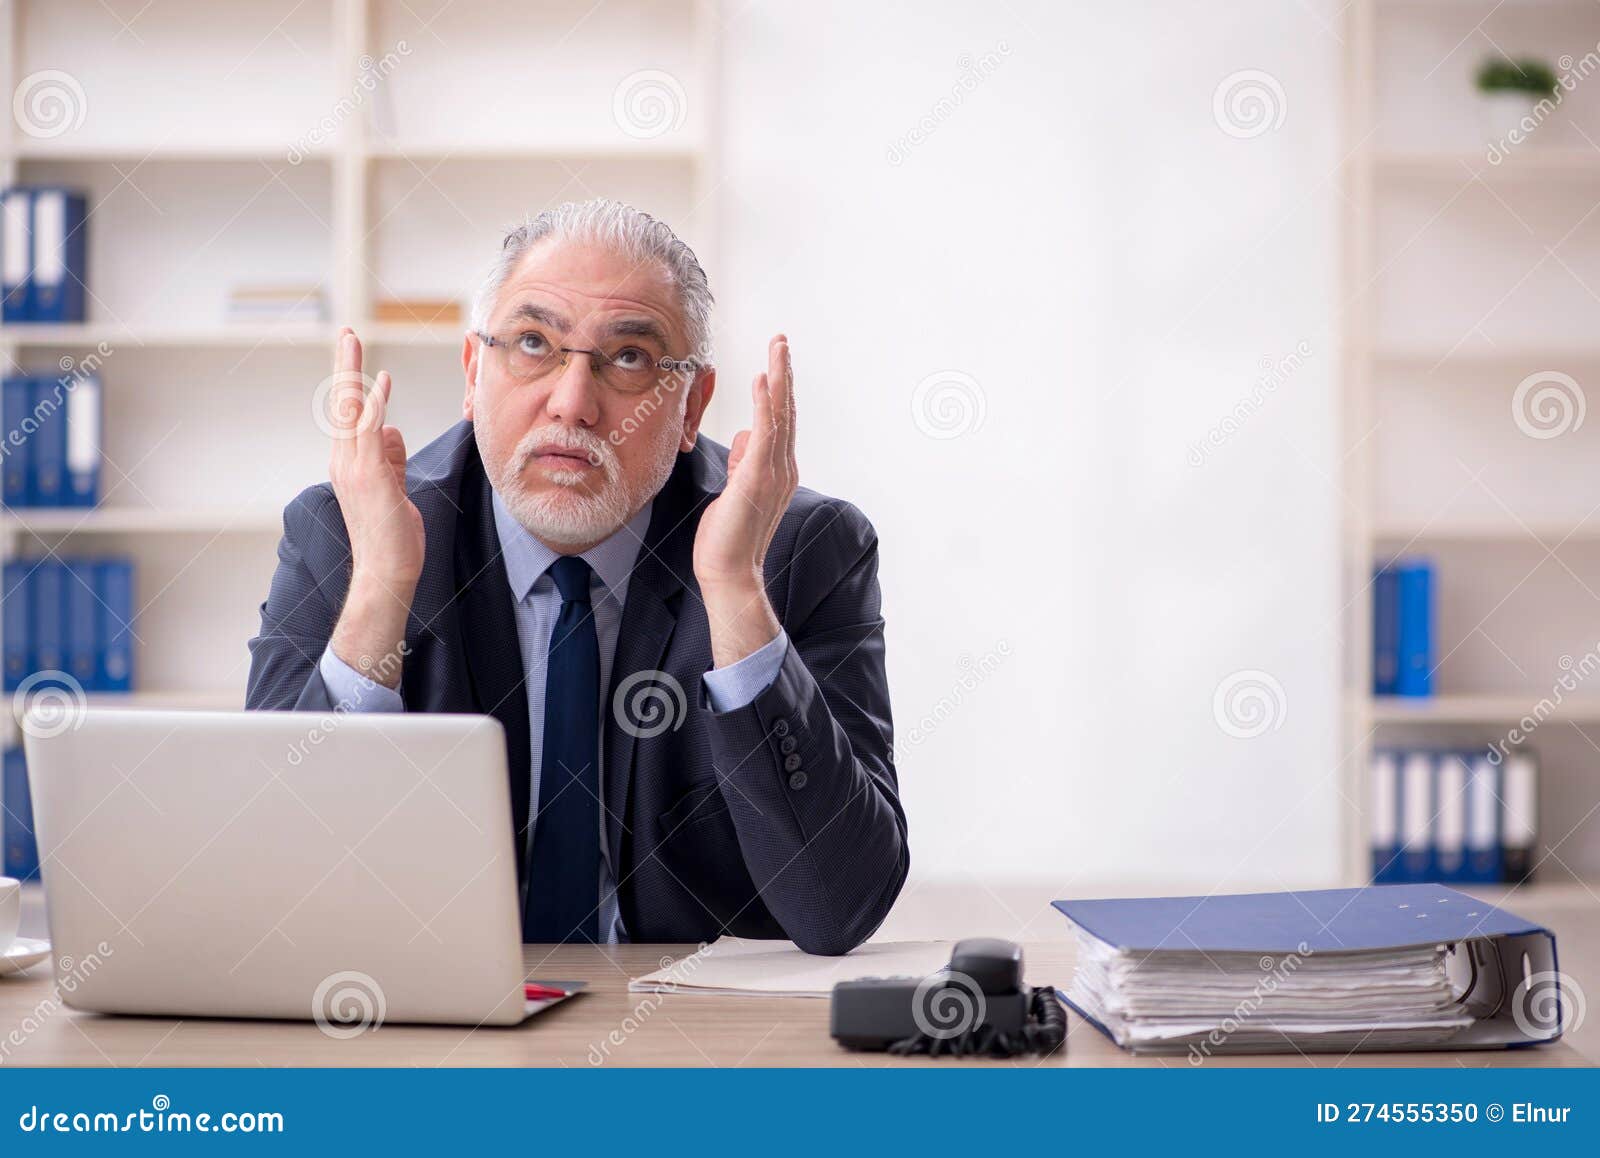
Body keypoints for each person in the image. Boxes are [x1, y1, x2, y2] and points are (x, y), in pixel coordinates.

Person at [246, 199, 907, 954]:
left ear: (691, 405)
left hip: (686, 1043)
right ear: (473, 373)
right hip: (433, 1033)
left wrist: (736, 595)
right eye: (533, 342)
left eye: (628, 357)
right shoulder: (348, 534)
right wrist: (381, 590)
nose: (572, 404)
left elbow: (839, 908)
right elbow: (272, 892)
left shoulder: (798, 549)